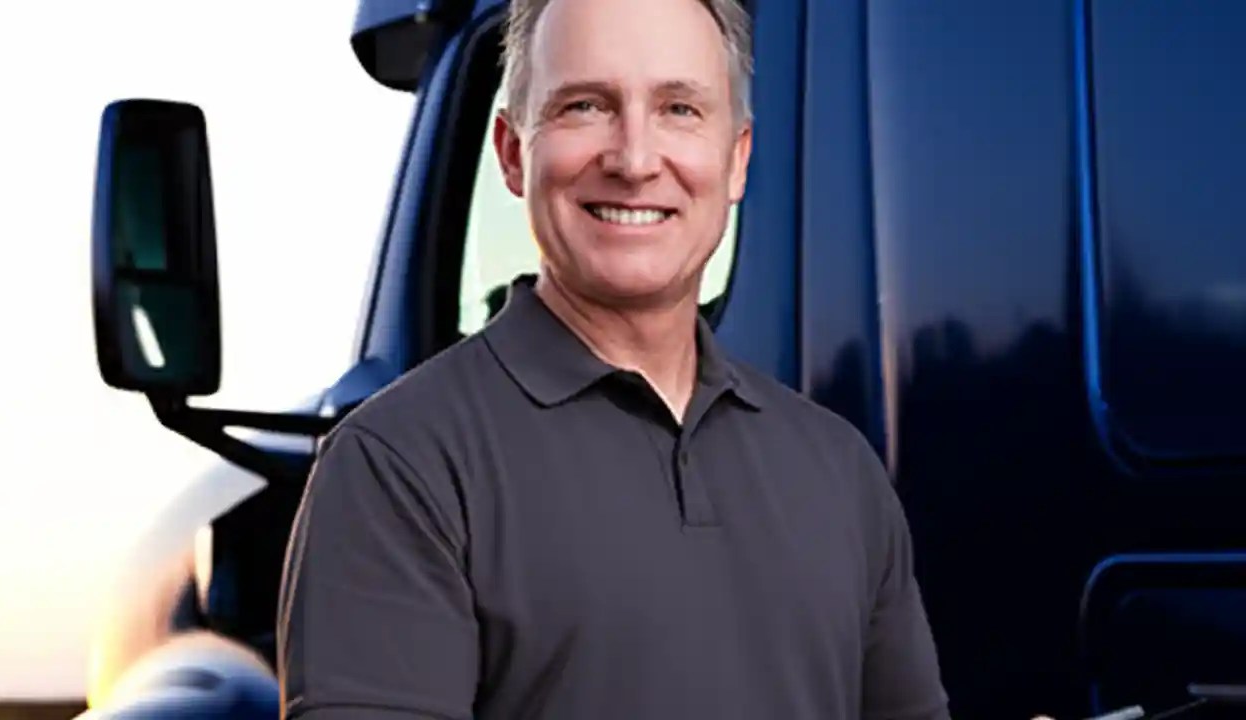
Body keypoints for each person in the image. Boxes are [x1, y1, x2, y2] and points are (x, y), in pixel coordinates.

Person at [276, 0, 951, 718]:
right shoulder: (399, 465)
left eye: (679, 110)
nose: (634, 161)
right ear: (513, 152)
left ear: (737, 160)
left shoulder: (839, 471)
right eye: (586, 107)